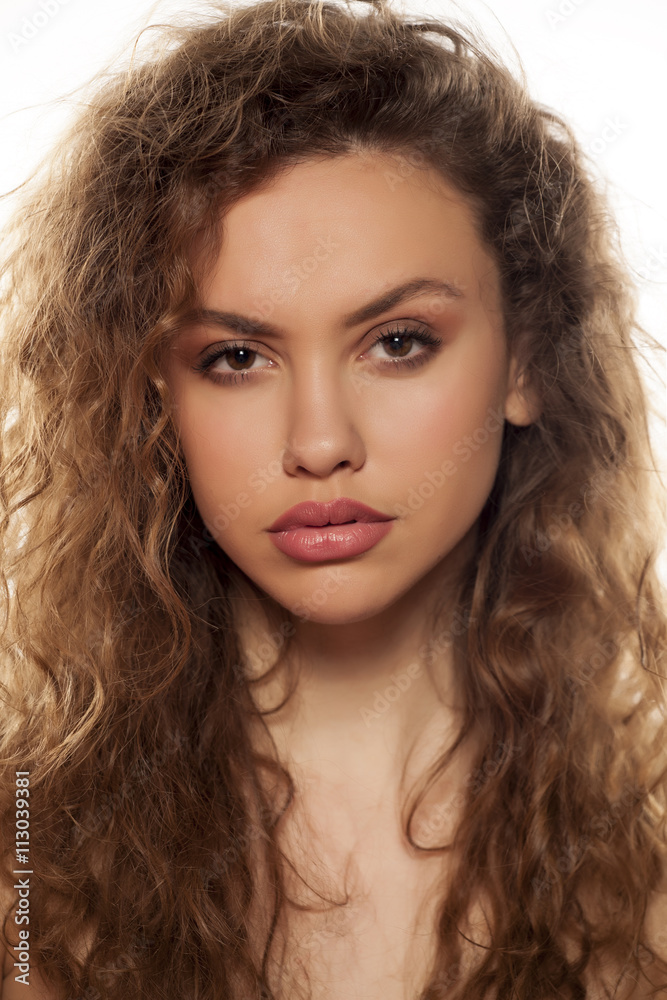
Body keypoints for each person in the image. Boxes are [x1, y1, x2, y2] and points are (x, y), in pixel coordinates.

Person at [0, 0, 666, 997]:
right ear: (150, 395)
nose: (319, 443)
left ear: (526, 356)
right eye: (236, 357)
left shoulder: (647, 886)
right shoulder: (26, 872)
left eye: (398, 342)